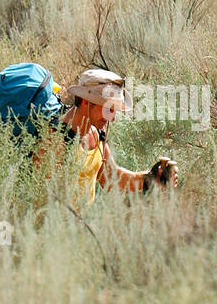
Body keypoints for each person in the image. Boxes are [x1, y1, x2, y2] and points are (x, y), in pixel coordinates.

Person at [57, 68, 178, 205]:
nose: (112, 118)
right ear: (86, 101)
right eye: (108, 109)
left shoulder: (96, 134)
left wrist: (149, 178)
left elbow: (110, 179)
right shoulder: (55, 140)